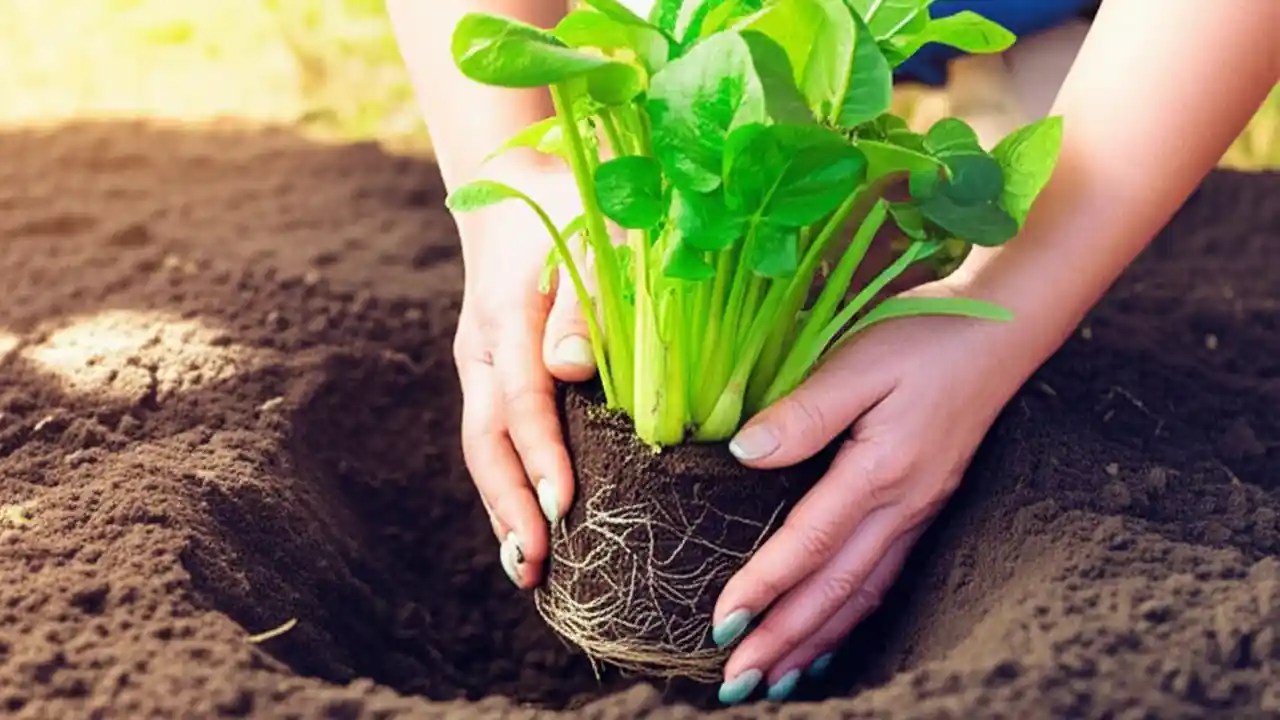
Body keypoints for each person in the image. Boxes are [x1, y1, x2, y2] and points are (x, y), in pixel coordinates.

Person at [388, 0, 1279, 704]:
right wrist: (509, 177)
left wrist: (1001, 301)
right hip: (720, 22)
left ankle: (1050, 49)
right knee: (712, 126)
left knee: (1070, 176)